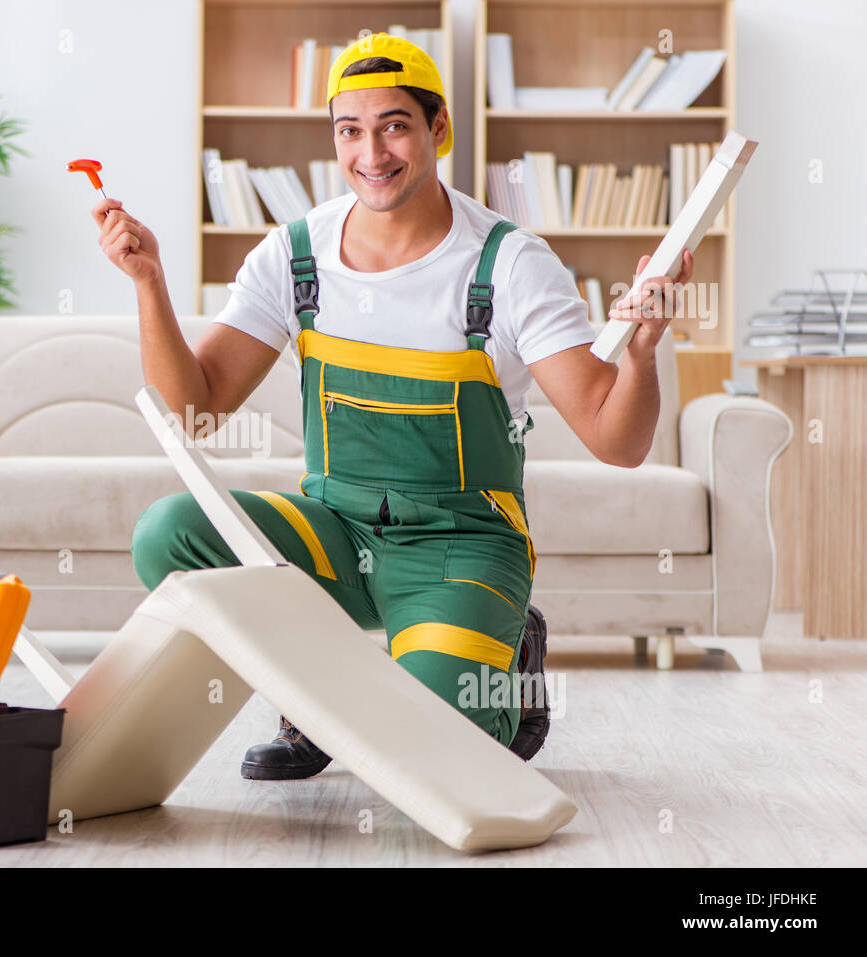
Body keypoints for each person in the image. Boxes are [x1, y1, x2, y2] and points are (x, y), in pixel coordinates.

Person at [90, 33, 691, 779]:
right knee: (169, 534)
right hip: (336, 530)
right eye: (351, 130)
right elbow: (195, 411)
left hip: (460, 545)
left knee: (432, 747)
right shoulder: (295, 255)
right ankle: (312, 704)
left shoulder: (508, 263)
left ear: (438, 129)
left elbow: (617, 438)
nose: (371, 153)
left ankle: (510, 663)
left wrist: (638, 352)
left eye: (394, 125)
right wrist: (149, 281)